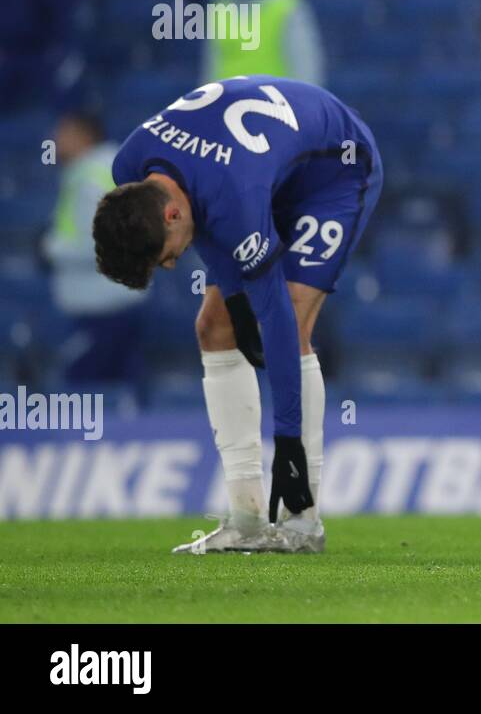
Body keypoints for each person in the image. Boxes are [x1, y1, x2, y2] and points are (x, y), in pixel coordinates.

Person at [92, 76, 383, 555]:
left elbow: (274, 318)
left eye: (166, 257)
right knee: (213, 327)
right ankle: (246, 519)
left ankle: (302, 521)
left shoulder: (231, 195)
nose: (172, 265)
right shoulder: (130, 165)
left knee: (289, 317)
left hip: (333, 169)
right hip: (261, 172)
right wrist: (232, 292)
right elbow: (203, 215)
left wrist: (285, 441)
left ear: (169, 217)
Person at [41, 112, 148, 398]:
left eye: (63, 132)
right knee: (124, 395)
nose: (55, 141)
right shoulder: (111, 167)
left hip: (101, 310)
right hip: (117, 302)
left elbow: (105, 243)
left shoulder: (90, 176)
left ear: (83, 135)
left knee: (81, 396)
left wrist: (49, 248)